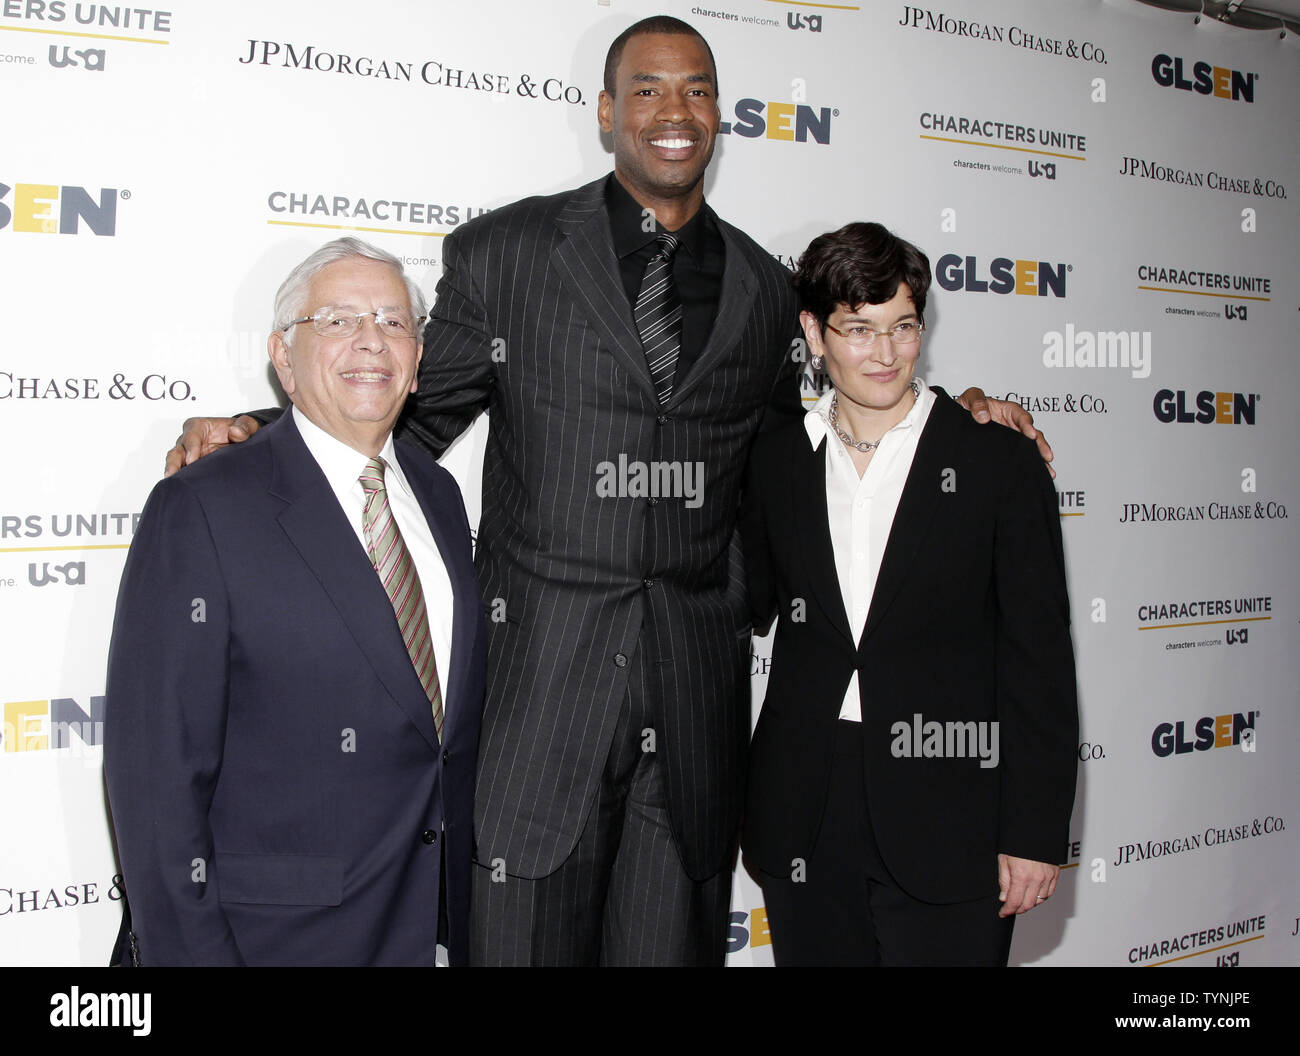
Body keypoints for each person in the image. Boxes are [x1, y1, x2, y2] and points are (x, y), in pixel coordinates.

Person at [161, 17, 1050, 966]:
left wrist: (959, 412)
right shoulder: (509, 254)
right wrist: (258, 432)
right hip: (537, 718)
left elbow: (814, 440)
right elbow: (401, 419)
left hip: (697, 731)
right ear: (605, 112)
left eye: (698, 90)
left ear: (720, 115)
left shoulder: (759, 284)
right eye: (649, 90)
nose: (676, 111)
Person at [104, 238, 486, 965]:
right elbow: (154, 775)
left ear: (418, 358)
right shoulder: (203, 505)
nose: (372, 340)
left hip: (422, 934)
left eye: (395, 321)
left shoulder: (437, 494)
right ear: (282, 354)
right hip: (267, 942)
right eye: (338, 321)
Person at [740, 222, 1078, 966]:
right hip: (806, 808)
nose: (885, 354)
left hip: (954, 810)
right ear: (814, 333)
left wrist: (1032, 834)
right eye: (859, 330)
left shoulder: (994, 458)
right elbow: (748, 599)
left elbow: (1040, 659)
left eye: (903, 327)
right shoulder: (775, 459)